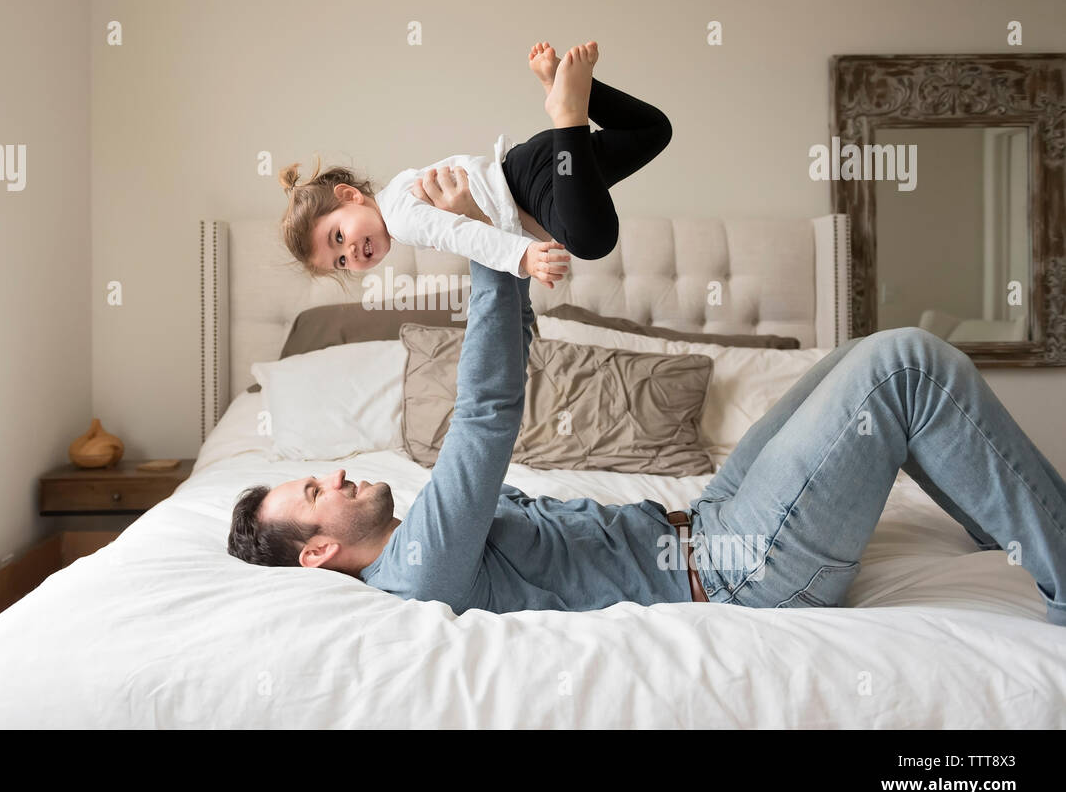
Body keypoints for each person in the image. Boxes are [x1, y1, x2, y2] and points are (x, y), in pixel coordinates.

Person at [228, 223, 1066, 626]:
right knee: (908, 366)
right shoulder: (417, 565)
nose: (335, 472)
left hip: (709, 518)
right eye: (314, 489)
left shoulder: (420, 536)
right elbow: (484, 417)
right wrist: (483, 252)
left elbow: (504, 368)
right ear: (318, 551)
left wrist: (514, 257)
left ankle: (1005, 528)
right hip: (739, 572)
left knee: (854, 360)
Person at [274, 40, 672, 288]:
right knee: (652, 130)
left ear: (349, 196)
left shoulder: (401, 219)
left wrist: (522, 257)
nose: (352, 255)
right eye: (340, 262)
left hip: (529, 184)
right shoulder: (396, 192)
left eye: (338, 237)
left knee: (592, 240)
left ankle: (568, 112)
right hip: (536, 164)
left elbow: (463, 236)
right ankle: (569, 89)